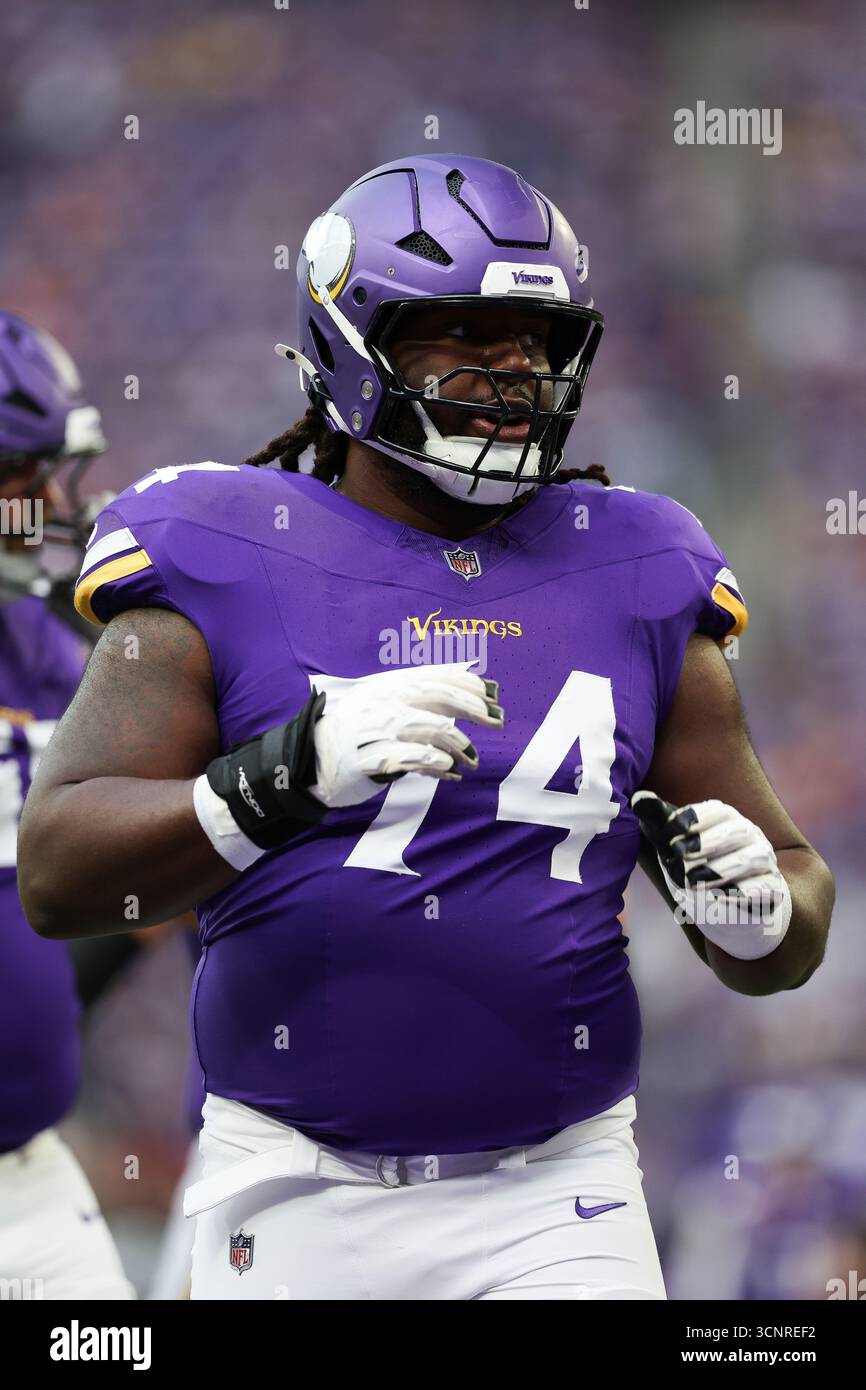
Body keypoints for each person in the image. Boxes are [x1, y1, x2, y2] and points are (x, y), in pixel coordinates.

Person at [18, 155, 834, 1301]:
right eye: (463, 334)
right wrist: (280, 778)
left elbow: (787, 900)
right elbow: (59, 874)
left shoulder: (641, 563)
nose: (511, 372)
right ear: (352, 348)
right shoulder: (219, 543)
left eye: (535, 341)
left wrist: (754, 914)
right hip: (293, 1186)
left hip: (559, 1191)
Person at [0, 310, 133, 1299]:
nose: (49, 502)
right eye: (20, 475)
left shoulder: (40, 648)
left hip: (33, 1176)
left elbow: (161, 862)